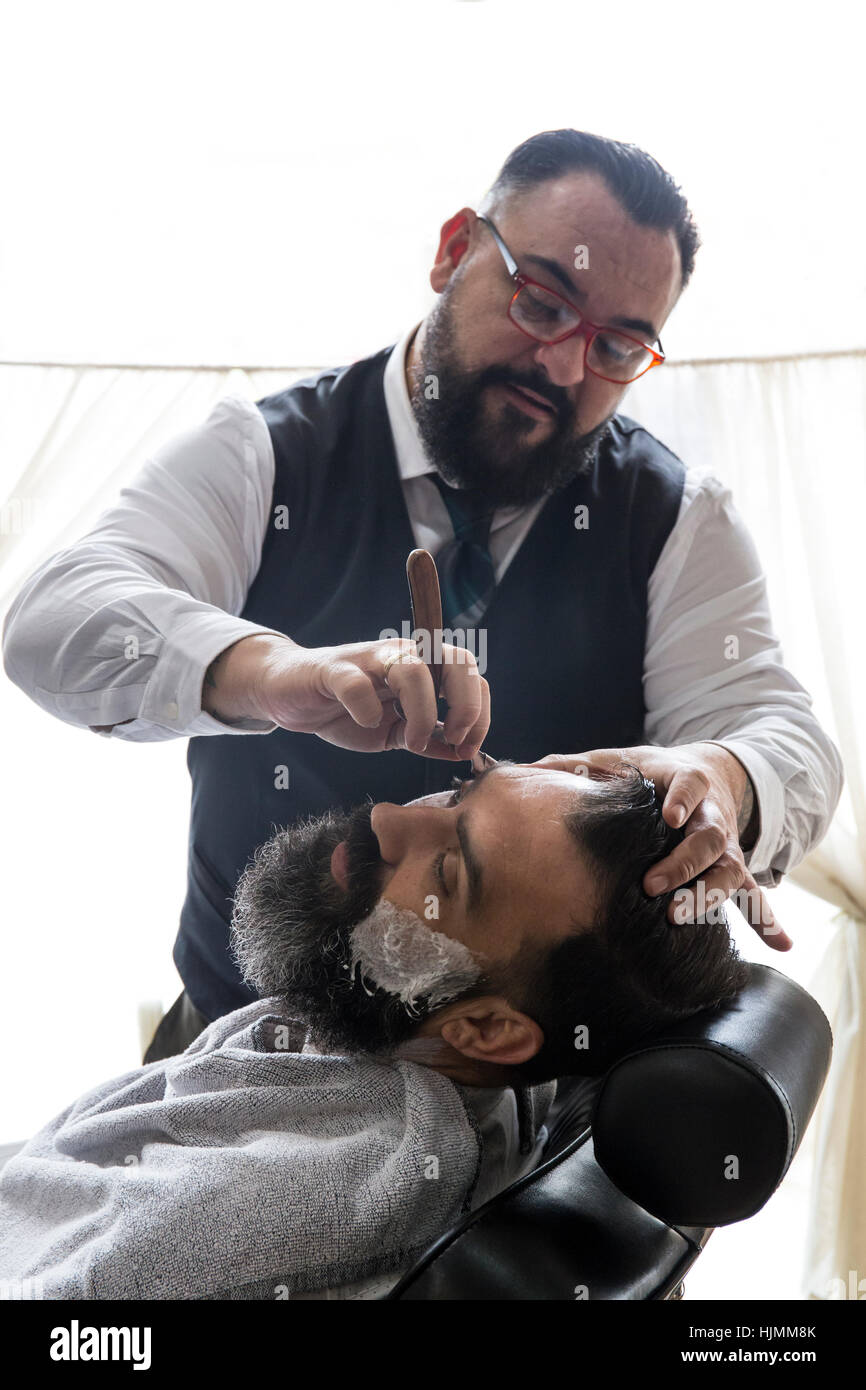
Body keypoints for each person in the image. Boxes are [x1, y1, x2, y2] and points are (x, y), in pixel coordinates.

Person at [1, 129, 842, 1058]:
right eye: (543, 301)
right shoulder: (264, 455)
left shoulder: (677, 520)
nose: (563, 366)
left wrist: (728, 776)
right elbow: (54, 617)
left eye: (617, 346)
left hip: (512, 1098)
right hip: (232, 1058)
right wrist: (274, 672)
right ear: (454, 249)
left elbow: (784, 732)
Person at [0, 761, 749, 1300]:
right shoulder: (476, 1048)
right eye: (459, 792)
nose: (390, 817)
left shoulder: (284, 1198)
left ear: (488, 1030)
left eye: (448, 871)